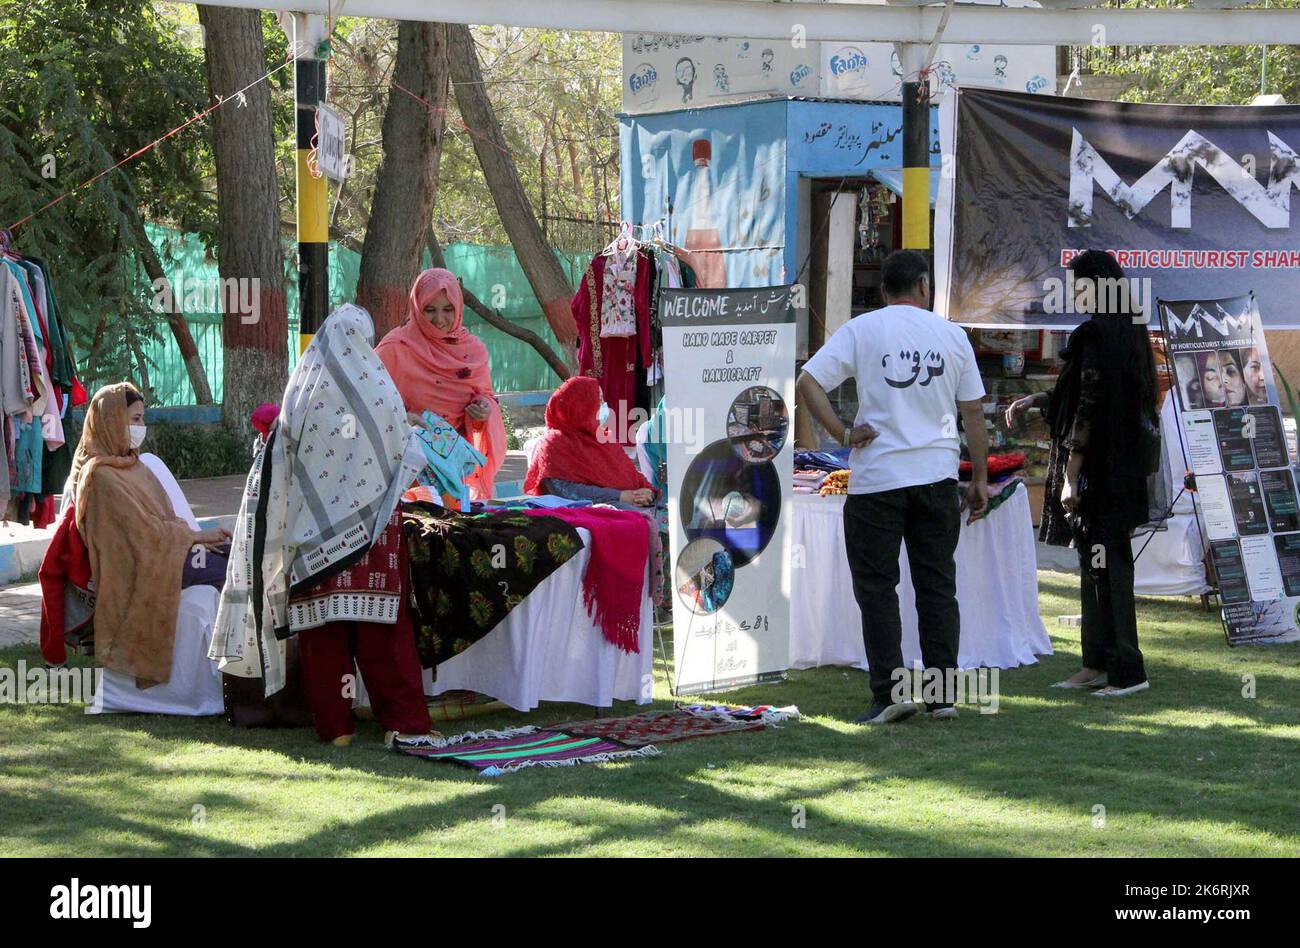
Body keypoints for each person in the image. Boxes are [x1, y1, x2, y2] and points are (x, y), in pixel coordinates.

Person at [212, 304, 436, 746]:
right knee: (382, 635)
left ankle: (336, 727)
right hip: (373, 539)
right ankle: (401, 723)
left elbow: (283, 459)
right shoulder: (380, 389)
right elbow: (403, 454)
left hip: (314, 539)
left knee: (324, 635)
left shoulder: (303, 391)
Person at [797, 249, 988, 725]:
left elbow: (808, 382)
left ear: (883, 291)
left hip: (877, 479)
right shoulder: (953, 336)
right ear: (924, 287)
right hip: (937, 478)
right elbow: (974, 413)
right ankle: (942, 695)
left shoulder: (864, 330)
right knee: (937, 587)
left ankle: (889, 693)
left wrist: (841, 434)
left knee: (878, 588)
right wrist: (980, 476)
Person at [1007, 250, 1157, 698]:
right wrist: (1037, 401)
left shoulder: (1095, 334)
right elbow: (1085, 394)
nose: (1074, 293)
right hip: (1122, 467)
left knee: (1107, 567)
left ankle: (1126, 669)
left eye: (1078, 285)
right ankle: (1097, 663)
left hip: (1101, 470)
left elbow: (1088, 408)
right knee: (1096, 565)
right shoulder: (1128, 330)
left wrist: (1072, 474)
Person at [48, 383, 230, 704]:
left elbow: (166, 519)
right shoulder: (99, 476)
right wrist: (195, 537)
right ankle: (239, 679)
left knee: (233, 557)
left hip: (168, 552)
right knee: (228, 568)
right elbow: (141, 536)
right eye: (134, 419)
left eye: (141, 419)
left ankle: (242, 675)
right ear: (111, 420)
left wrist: (197, 537)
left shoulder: (133, 465)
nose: (140, 428)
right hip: (143, 569)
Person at [375, 267, 505, 500]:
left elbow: (484, 394)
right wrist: (401, 419)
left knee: (454, 531)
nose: (439, 319)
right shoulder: (395, 348)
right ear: (416, 308)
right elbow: (369, 403)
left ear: (458, 309)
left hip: (455, 466)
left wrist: (484, 409)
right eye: (429, 310)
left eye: (448, 309)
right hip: (406, 467)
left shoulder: (473, 351)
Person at [524, 375, 658, 508]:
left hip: (630, 504)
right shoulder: (554, 443)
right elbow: (562, 490)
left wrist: (647, 492)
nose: (603, 405)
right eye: (598, 400)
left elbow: (631, 474)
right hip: (588, 510)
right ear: (580, 405)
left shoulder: (603, 438)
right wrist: (620, 496)